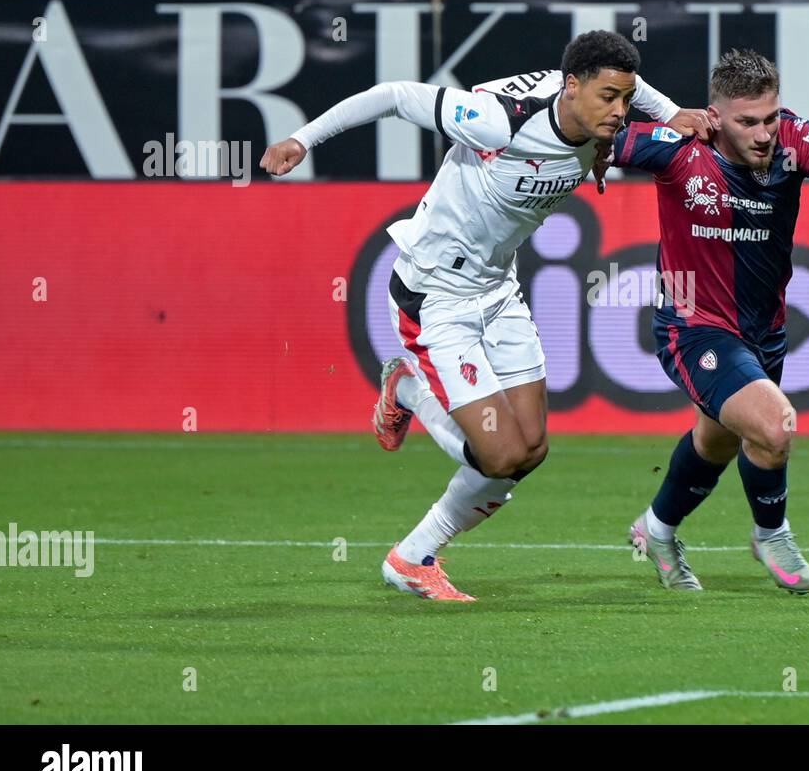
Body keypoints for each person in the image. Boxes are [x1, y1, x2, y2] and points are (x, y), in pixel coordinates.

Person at [259, 32, 710, 602]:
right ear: (571, 85)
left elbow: (633, 86)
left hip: (498, 291)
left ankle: (409, 552)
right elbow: (395, 94)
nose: (621, 111)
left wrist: (672, 113)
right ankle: (411, 438)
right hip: (436, 295)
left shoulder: (600, 107)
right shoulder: (500, 120)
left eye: (625, 99)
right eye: (608, 98)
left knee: (531, 449)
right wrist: (303, 139)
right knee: (498, 456)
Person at [607, 49, 809, 593]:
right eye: (747, 122)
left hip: (763, 334)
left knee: (719, 441)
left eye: (770, 117)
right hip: (692, 326)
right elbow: (591, 135)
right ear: (715, 116)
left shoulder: (796, 140)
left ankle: (656, 530)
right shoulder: (681, 146)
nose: (764, 133)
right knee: (775, 427)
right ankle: (771, 534)